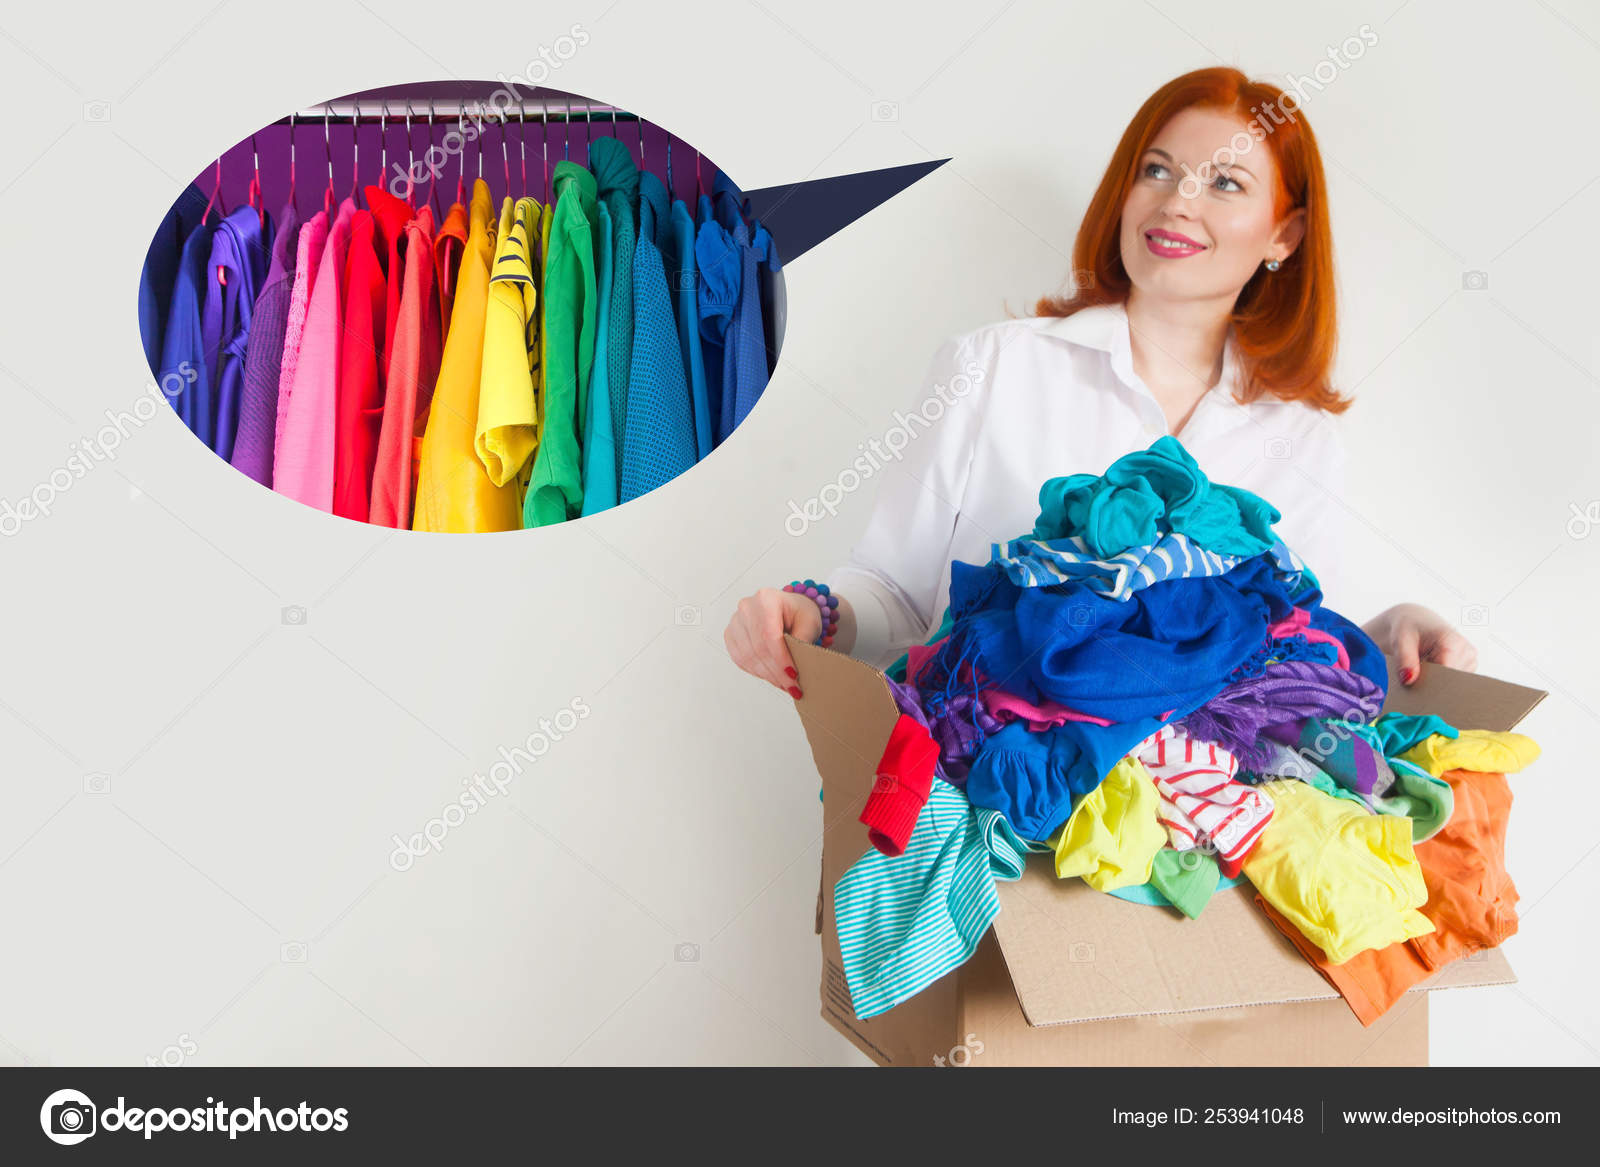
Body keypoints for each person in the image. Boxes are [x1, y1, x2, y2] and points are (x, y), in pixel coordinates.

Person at [723, 66, 1477, 699]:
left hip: (1171, 857)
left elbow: (1292, 649)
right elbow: (894, 592)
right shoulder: (993, 367)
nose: (1178, 200)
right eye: (1158, 170)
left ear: (1285, 234)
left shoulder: (1299, 437)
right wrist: (812, 614)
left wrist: (1393, 627)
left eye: (1225, 182)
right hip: (963, 813)